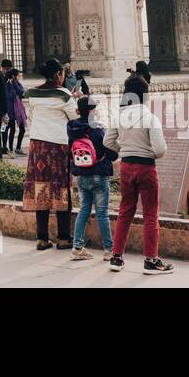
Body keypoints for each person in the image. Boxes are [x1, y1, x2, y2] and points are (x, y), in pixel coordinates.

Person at [104, 74, 173, 274]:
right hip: (146, 167)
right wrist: (146, 152)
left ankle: (116, 257)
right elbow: (160, 149)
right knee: (150, 214)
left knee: (125, 211)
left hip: (126, 166)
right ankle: (151, 260)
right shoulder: (150, 118)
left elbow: (107, 142)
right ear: (144, 95)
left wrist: (124, 148)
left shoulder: (119, 116)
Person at [22, 58, 78, 251]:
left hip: (37, 145)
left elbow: (33, 114)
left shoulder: (34, 94)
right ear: (57, 75)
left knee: (41, 189)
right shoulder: (64, 94)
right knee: (61, 189)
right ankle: (63, 237)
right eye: (62, 74)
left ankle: (42, 238)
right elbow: (75, 118)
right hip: (58, 146)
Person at [67, 95, 117, 261]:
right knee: (102, 213)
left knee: (83, 211)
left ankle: (77, 247)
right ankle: (109, 250)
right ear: (91, 111)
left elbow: (70, 154)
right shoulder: (97, 130)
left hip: (81, 176)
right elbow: (111, 153)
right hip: (98, 176)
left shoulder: (72, 130)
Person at [4, 68, 27, 157]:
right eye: (18, 75)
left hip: (19, 111)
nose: (19, 77)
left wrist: (15, 84)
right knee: (12, 130)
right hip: (11, 111)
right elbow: (10, 96)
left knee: (22, 129)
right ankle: (10, 149)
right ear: (14, 76)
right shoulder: (7, 85)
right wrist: (13, 86)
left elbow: (22, 94)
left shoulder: (17, 84)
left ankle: (18, 148)